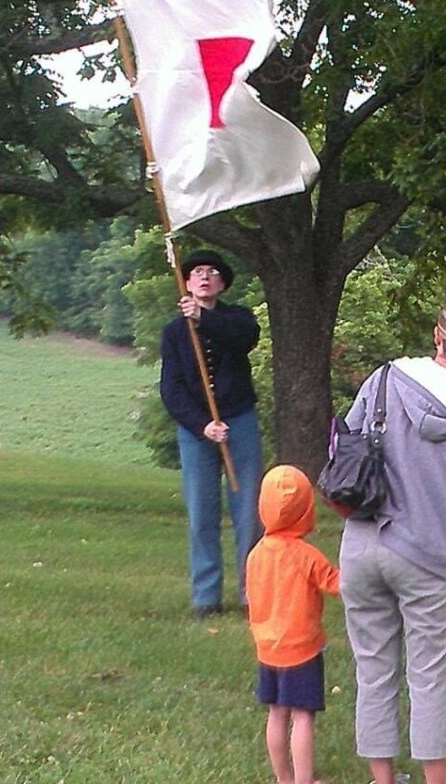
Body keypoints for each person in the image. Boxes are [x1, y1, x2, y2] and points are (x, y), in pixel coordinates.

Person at [339, 295, 446, 784]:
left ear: (437, 335)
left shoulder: (385, 378)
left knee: (374, 672)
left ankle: (383, 780)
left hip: (363, 543)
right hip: (432, 555)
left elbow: (346, 444)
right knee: (429, 679)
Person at [159, 249, 264, 618]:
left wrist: (202, 318)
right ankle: (206, 597)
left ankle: (252, 593)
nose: (204, 276)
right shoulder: (174, 333)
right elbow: (171, 389)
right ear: (187, 283)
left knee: (249, 512)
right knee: (201, 514)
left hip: (240, 421)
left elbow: (242, 339)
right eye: (197, 272)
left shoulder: (238, 319)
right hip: (197, 431)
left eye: (212, 272)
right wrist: (202, 425)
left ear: (222, 283)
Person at [246, 464, 342, 784]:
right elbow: (338, 584)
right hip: (302, 649)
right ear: (306, 510)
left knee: (276, 713)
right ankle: (304, 780)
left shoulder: (255, 555)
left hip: (267, 649)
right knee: (302, 717)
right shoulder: (307, 555)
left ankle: (283, 779)